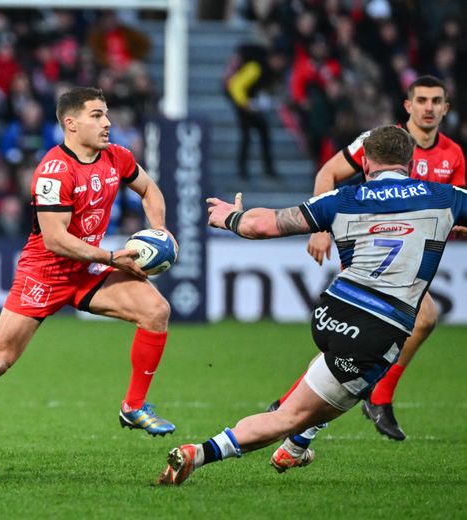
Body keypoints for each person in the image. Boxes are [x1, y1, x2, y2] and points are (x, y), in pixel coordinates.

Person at [158, 125, 467, 485]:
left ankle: (296, 447)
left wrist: (232, 217)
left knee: (331, 373)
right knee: (292, 416)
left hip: (331, 312)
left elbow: (266, 225)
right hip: (377, 329)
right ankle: (198, 453)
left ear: (366, 164)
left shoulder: (343, 199)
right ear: (411, 164)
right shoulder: (446, 198)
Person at [0, 87, 177, 453]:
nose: (107, 122)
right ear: (71, 123)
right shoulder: (54, 171)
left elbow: (149, 191)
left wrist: (160, 231)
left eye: (106, 114)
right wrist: (111, 257)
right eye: (97, 115)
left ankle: (133, 406)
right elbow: (55, 239)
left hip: (88, 270)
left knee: (156, 310)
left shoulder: (117, 157)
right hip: (45, 274)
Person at [269, 75, 465, 441]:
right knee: (415, 321)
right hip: (369, 248)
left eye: (436, 101)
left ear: (445, 109)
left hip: (411, 260)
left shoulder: (453, 154)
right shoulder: (381, 143)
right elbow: (329, 172)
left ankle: (291, 412)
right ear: (407, 105)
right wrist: (320, 229)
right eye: (421, 100)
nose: (428, 108)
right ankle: (375, 398)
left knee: (363, 346)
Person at [224, 43, 286, 180]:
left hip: (252, 105)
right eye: (279, 60)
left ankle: (268, 169)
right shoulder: (256, 67)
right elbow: (236, 86)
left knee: (264, 132)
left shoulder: (271, 72)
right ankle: (243, 170)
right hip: (242, 104)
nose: (281, 64)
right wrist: (245, 105)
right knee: (246, 134)